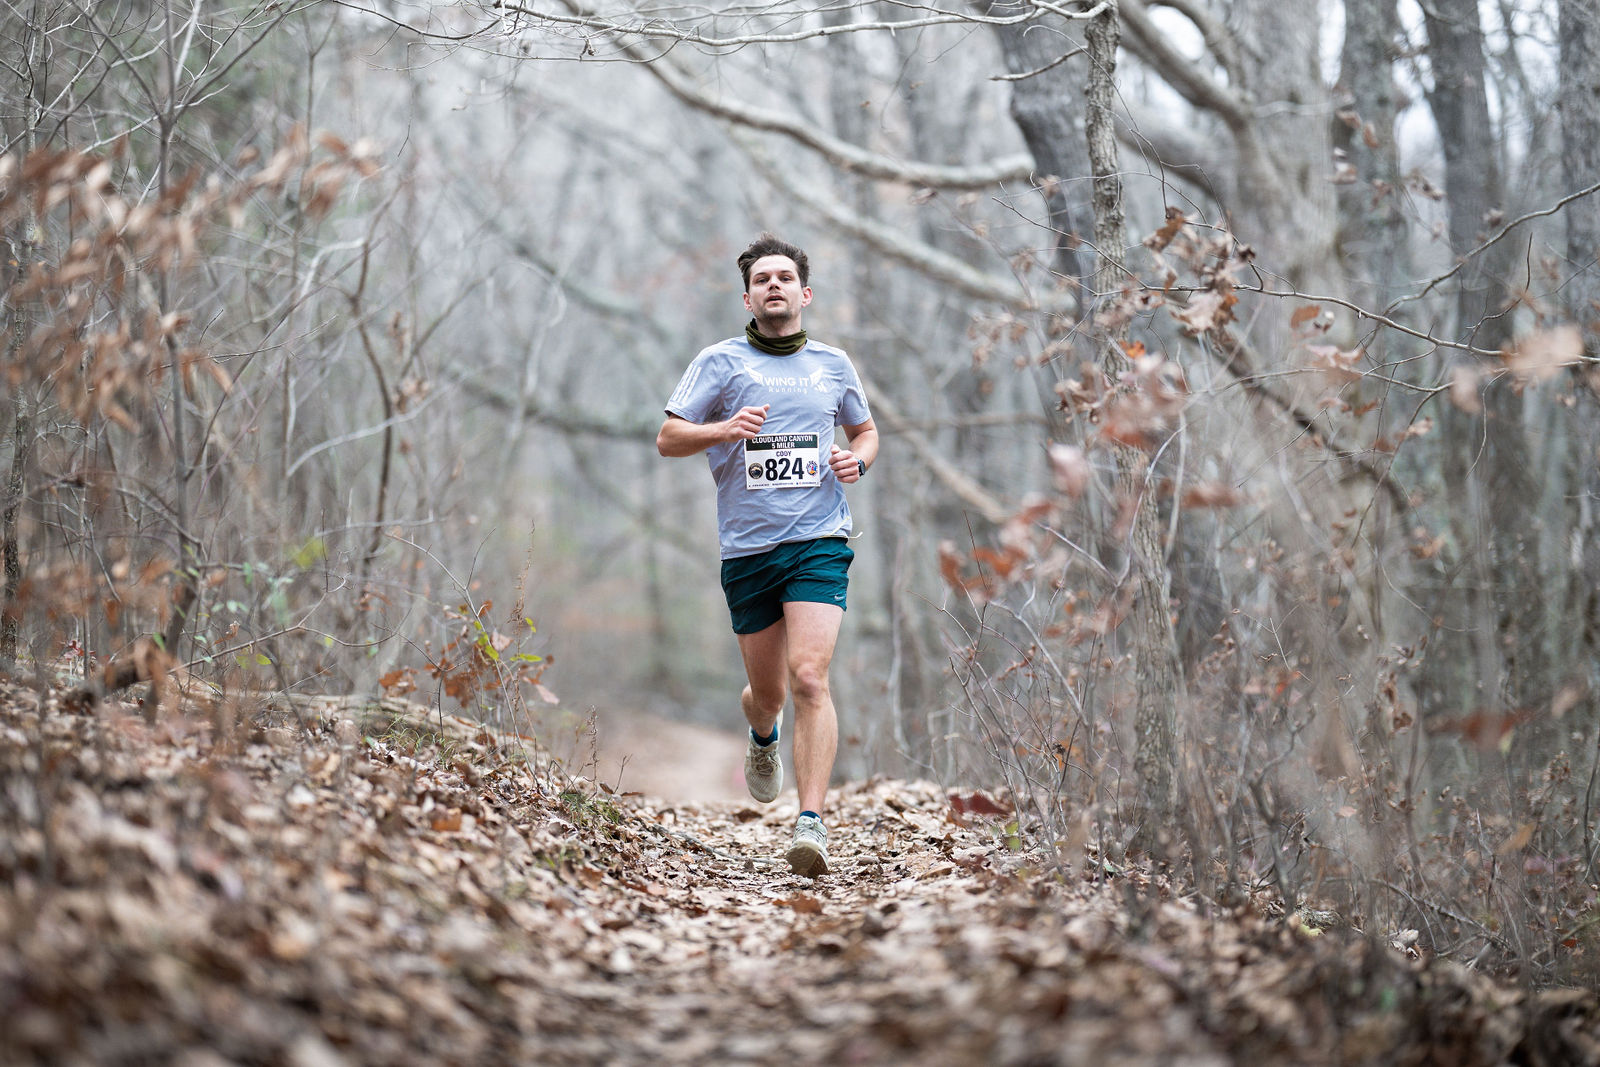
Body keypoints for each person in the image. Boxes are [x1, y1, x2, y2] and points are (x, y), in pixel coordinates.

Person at [656, 233, 878, 877]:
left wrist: (854, 460)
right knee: (770, 692)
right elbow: (668, 437)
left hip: (819, 538)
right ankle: (762, 735)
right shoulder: (720, 362)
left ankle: (810, 822)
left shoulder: (834, 364)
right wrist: (723, 430)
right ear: (747, 296)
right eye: (762, 279)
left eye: (785, 277)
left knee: (812, 676)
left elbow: (864, 432)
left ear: (805, 293)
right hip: (749, 547)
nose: (774, 286)